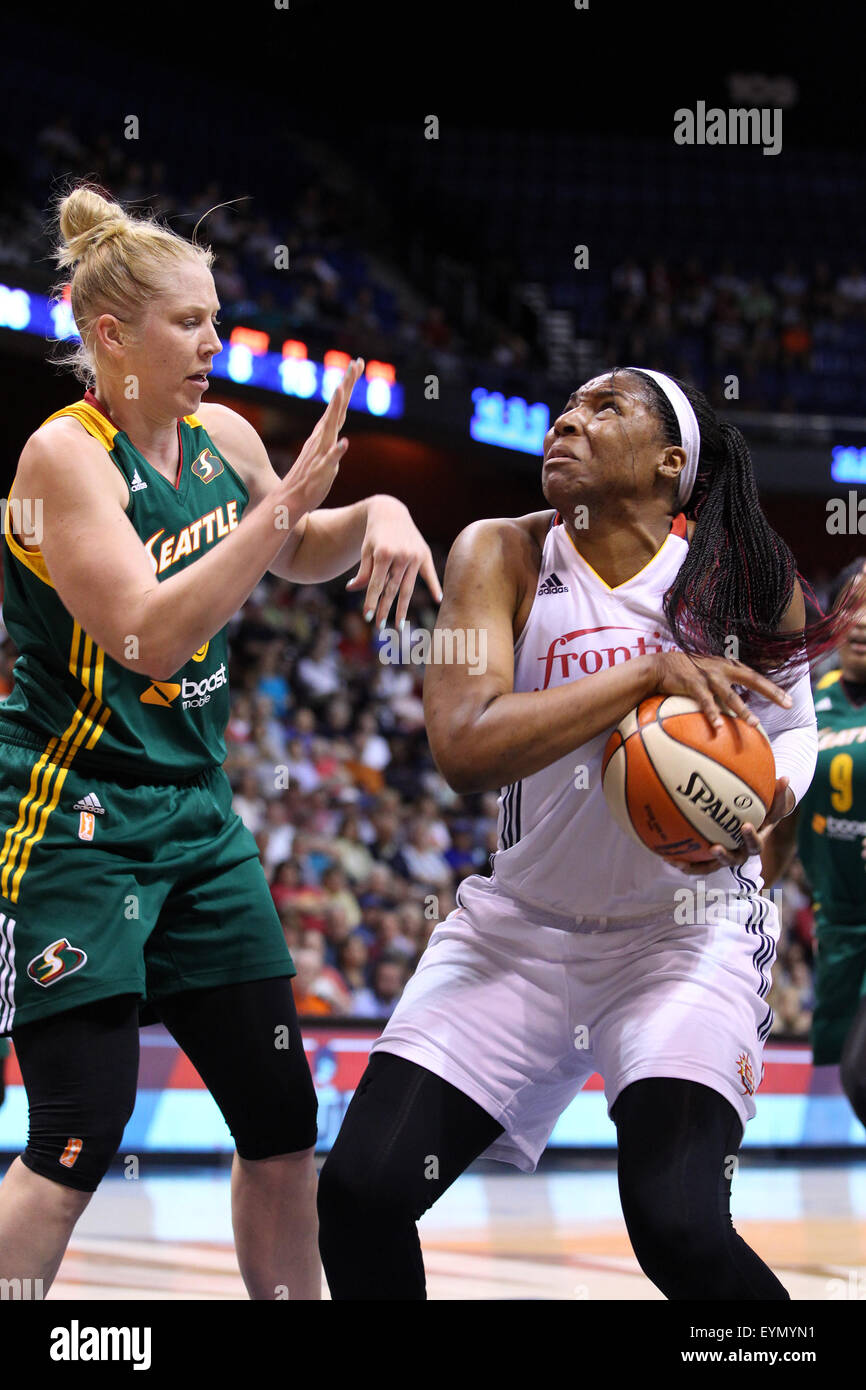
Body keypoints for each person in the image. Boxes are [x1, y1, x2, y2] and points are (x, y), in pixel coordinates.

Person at [317, 366, 861, 1301]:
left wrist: (768, 799)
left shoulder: (747, 570)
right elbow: (464, 744)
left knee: (678, 1226)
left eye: (606, 407)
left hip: (683, 937)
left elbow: (794, 729)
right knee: (361, 1194)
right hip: (520, 932)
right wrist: (646, 675)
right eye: (568, 404)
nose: (569, 416)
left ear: (669, 462)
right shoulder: (501, 551)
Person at [0, 182, 441, 1300]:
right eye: (188, 321)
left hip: (199, 820)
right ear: (111, 336)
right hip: (76, 817)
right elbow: (147, 633)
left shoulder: (225, 434)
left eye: (214, 315)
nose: (213, 338)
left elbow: (298, 553)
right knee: (74, 1136)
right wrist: (283, 510)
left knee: (283, 1127)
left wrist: (373, 514)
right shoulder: (67, 459)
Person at [761, 557, 866, 1128]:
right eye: (853, 606)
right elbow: (785, 821)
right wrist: (750, 890)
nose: (864, 623)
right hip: (836, 933)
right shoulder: (807, 704)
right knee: (829, 1112)